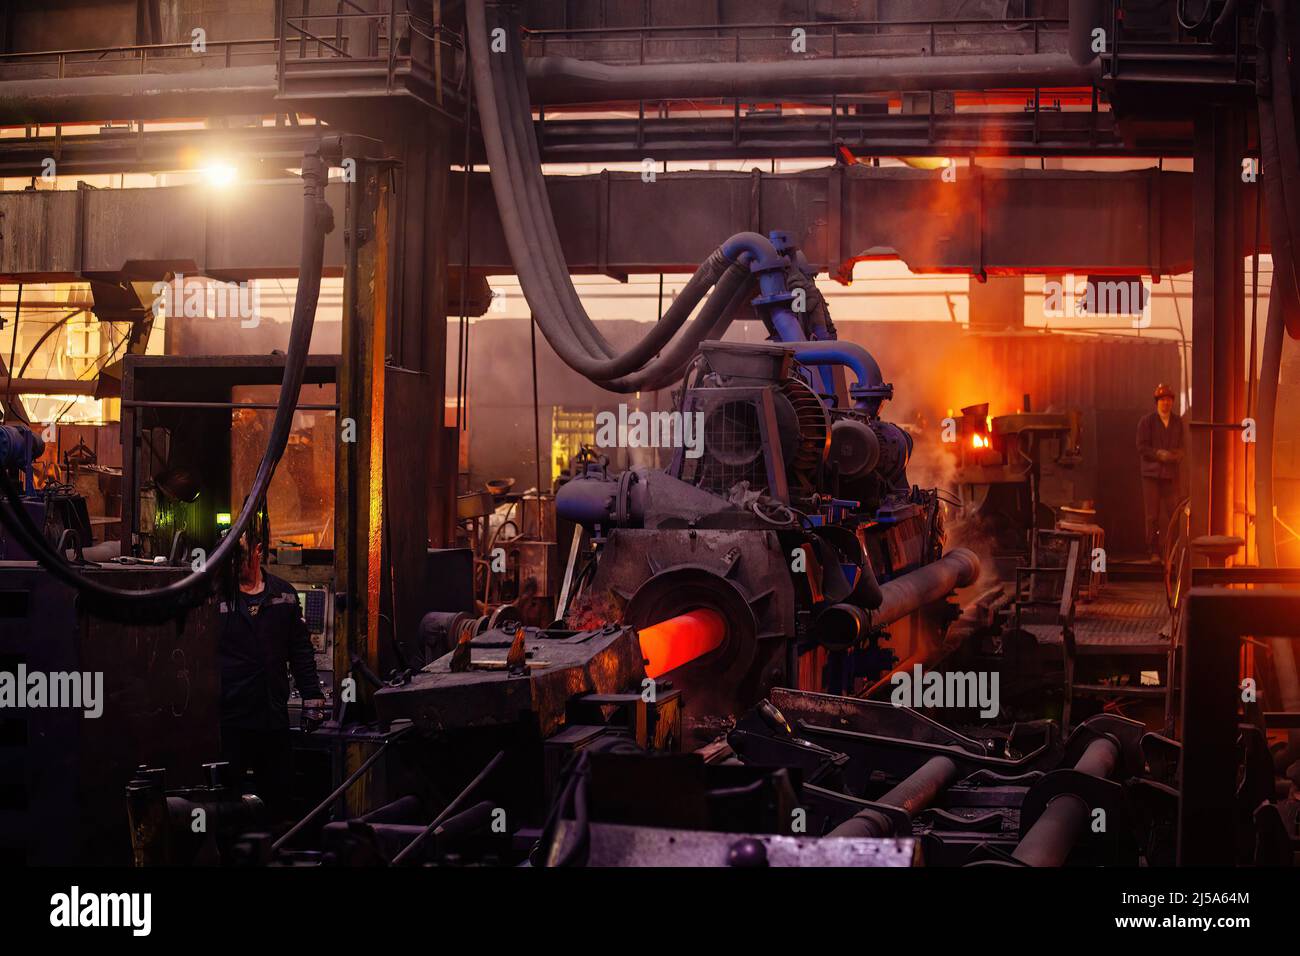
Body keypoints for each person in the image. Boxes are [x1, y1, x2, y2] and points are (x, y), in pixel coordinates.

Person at [217, 509, 326, 822]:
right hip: (230, 719)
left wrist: (312, 698)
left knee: (277, 797)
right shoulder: (214, 597)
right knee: (228, 802)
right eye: (228, 556)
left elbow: (300, 651)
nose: (233, 563)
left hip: (272, 717)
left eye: (239, 554)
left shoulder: (284, 596)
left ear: (258, 551)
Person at [1136, 383, 1184, 562]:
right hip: (1152, 476)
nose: (1166, 403)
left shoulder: (1178, 422)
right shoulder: (1147, 422)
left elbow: (1182, 448)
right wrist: (1158, 454)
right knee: (1152, 516)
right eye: (1162, 400)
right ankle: (1153, 551)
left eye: (1169, 399)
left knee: (1174, 514)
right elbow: (1141, 447)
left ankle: (1172, 551)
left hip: (1171, 476)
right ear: (1157, 402)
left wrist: (1173, 456)